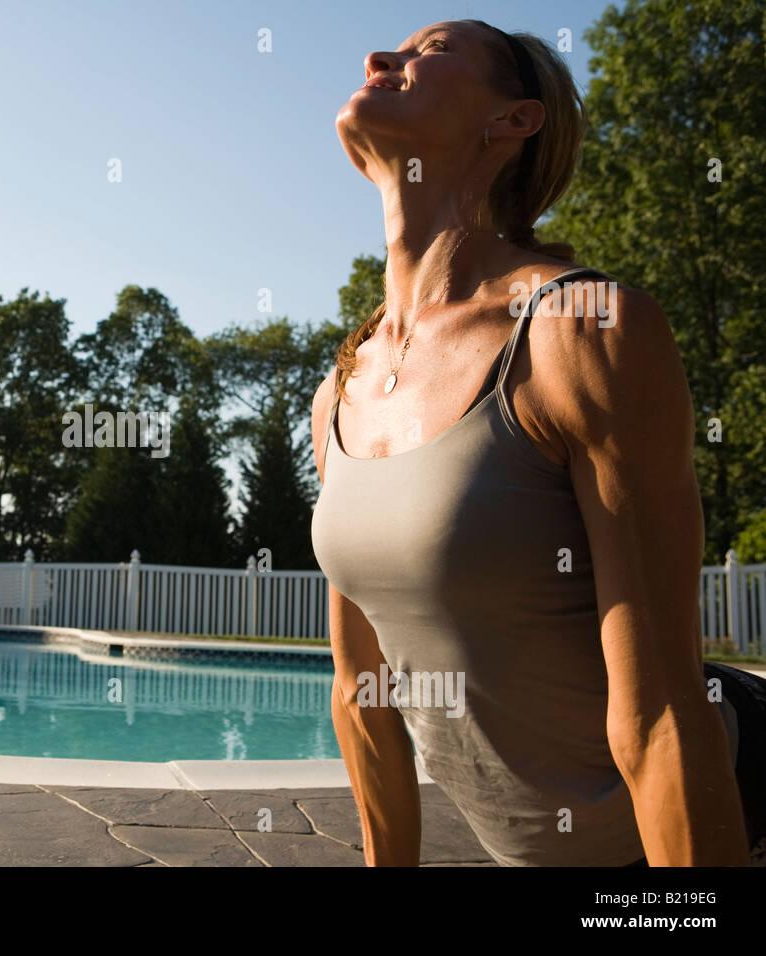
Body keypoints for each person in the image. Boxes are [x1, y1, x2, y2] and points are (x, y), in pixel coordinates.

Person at [309, 19, 765, 866]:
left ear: (514, 120)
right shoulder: (341, 389)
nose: (382, 58)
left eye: (432, 50)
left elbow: (662, 709)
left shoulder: (581, 332)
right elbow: (361, 695)